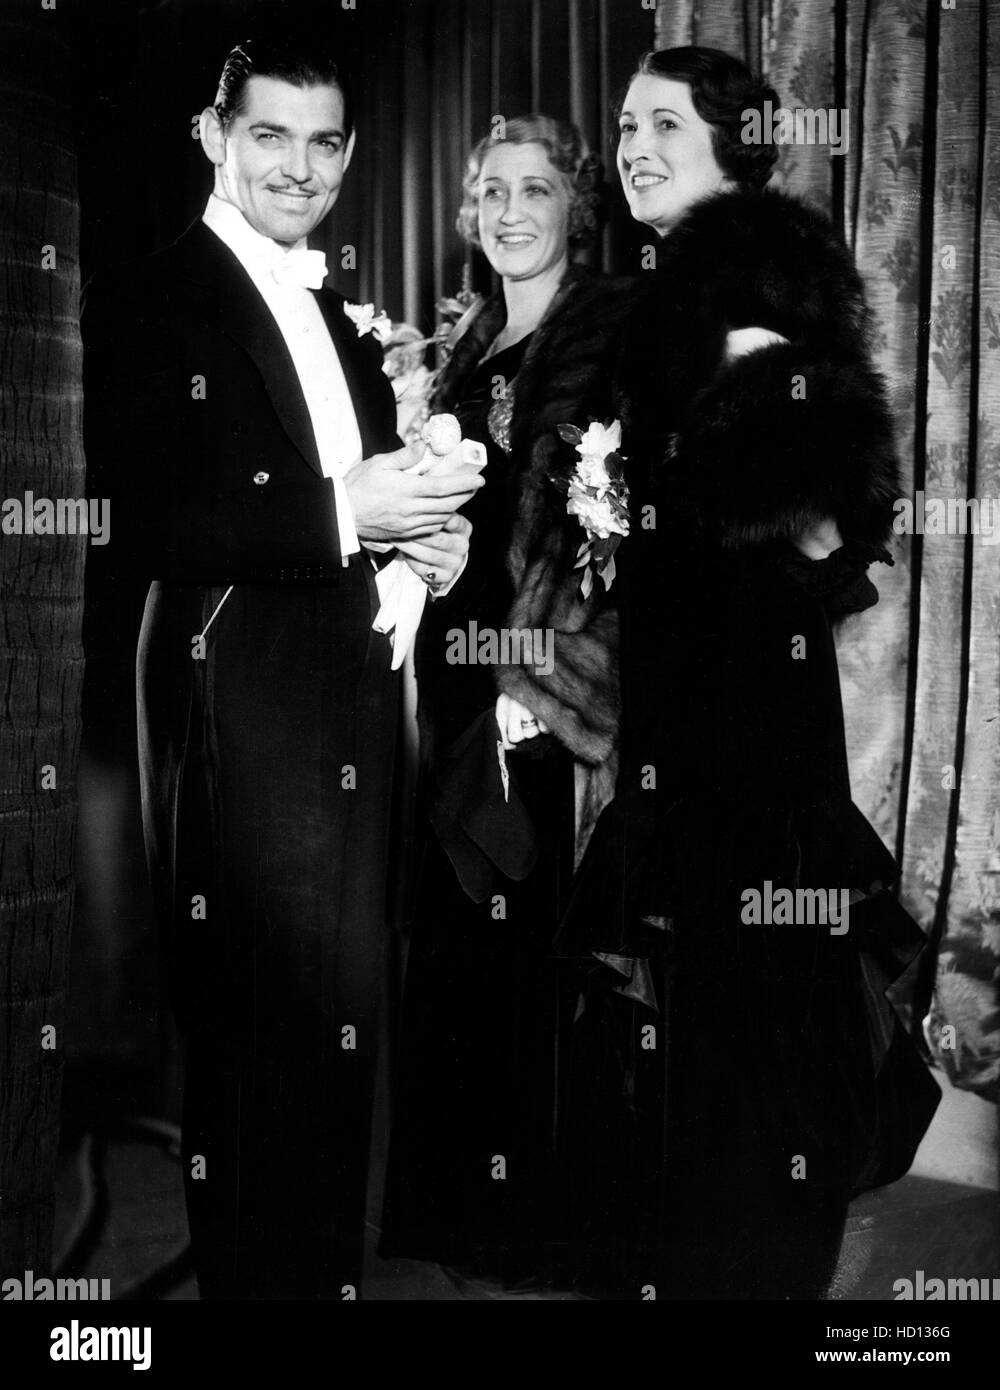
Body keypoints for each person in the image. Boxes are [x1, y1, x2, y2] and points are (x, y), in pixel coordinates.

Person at [81, 36, 483, 1300]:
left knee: (334, 1025)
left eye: (322, 143)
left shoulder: (333, 311)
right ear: (214, 136)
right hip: (235, 684)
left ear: (349, 154)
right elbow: (151, 512)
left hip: (348, 694)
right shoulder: (162, 289)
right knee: (258, 1030)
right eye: (269, 136)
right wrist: (342, 513)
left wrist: (427, 544)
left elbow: (362, 502)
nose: (298, 168)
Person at [558, 47, 941, 1300]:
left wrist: (675, 471)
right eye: (623, 124)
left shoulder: (741, 282)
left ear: (736, 149)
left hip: (744, 724)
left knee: (750, 1012)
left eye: (664, 123)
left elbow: (839, 511)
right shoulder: (671, 290)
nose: (632, 145)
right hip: (698, 709)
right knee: (712, 1018)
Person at [380, 116, 640, 1287]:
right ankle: (451, 1218)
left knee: (534, 943)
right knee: (453, 937)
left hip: (543, 685)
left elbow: (617, 533)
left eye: (535, 189)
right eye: (490, 190)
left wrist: (543, 674)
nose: (509, 210)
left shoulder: (611, 333)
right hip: (451, 672)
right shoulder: (468, 341)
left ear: (576, 206)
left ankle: (545, 1231)